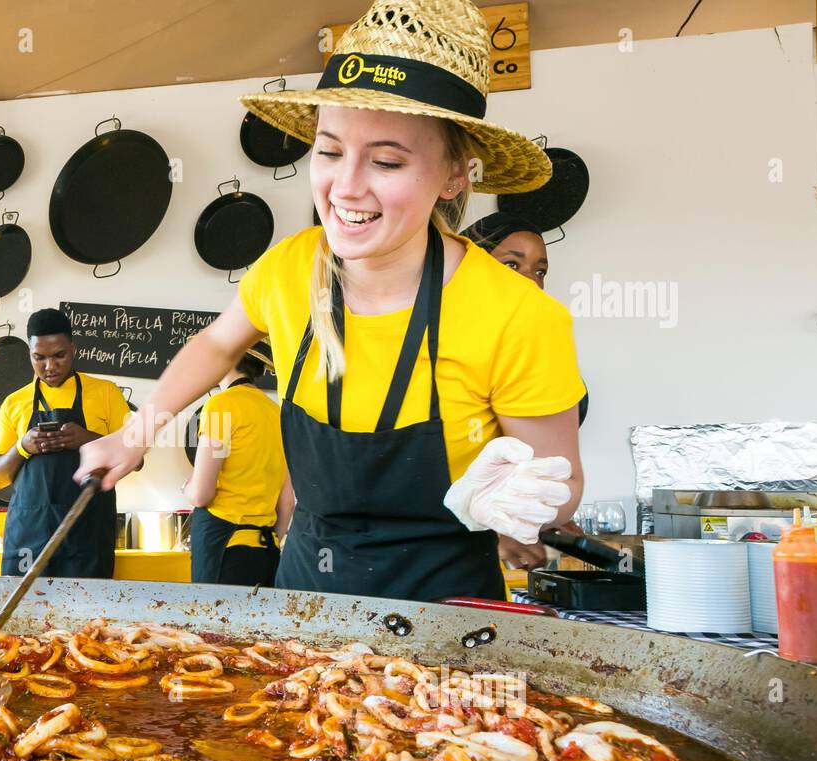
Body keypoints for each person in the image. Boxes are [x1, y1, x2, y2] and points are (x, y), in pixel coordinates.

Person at [78, 0, 584, 602]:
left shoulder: (517, 316)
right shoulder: (292, 267)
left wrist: (516, 501)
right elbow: (217, 343)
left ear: (454, 177)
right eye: (329, 150)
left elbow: (562, 481)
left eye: (387, 160)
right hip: (309, 606)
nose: (345, 188)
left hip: (448, 615)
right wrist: (138, 432)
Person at [464, 211, 590, 571]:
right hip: (465, 549)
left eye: (540, 271)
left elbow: (551, 467)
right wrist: (505, 526)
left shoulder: (540, 344)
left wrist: (547, 517)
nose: (531, 283)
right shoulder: (442, 352)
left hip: (518, 556)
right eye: (511, 266)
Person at [0, 307, 130, 578]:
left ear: (73, 348)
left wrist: (86, 439)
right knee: (24, 615)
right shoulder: (14, 402)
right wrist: (22, 447)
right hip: (29, 535)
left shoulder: (105, 393)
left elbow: (136, 459)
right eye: (39, 358)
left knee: (86, 618)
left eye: (59, 355)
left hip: (87, 535)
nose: (49, 366)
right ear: (29, 354)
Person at [183, 345, 291, 586]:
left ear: (229, 359)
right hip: (266, 549)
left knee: (210, 623)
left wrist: (186, 488)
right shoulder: (276, 413)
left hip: (223, 547)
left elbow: (201, 495)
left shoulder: (221, 406)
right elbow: (287, 502)